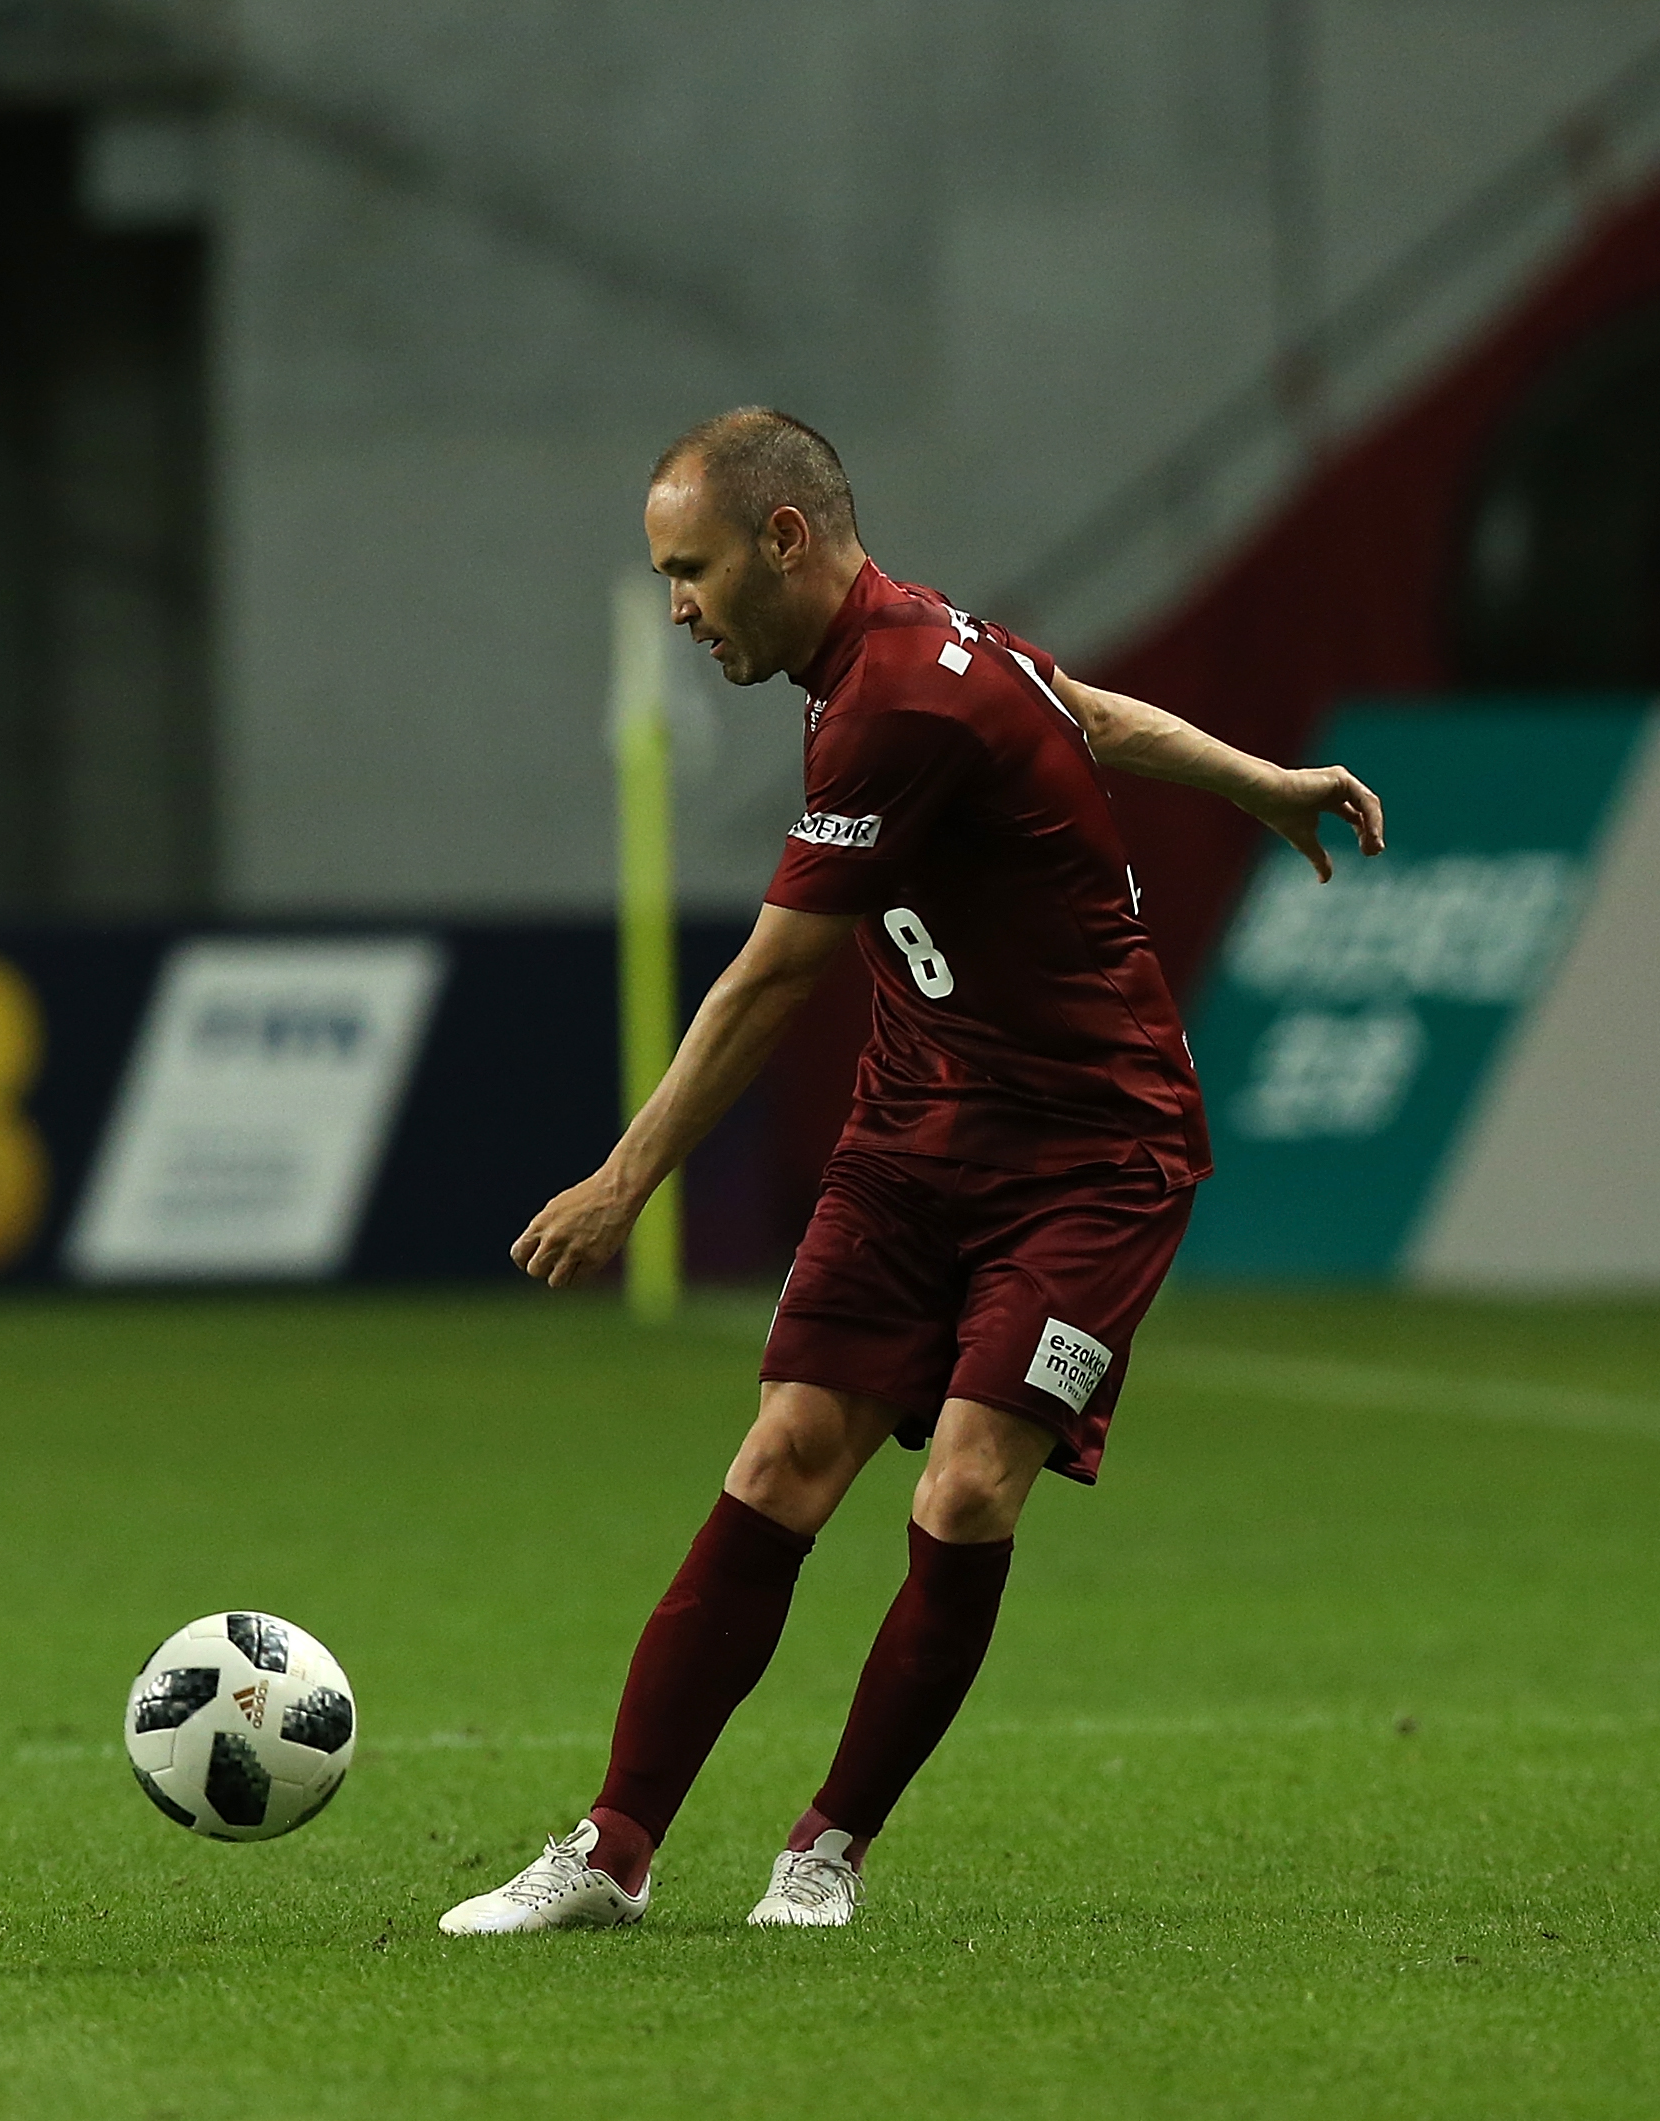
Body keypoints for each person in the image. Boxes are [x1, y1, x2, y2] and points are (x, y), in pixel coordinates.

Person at [440, 408, 1385, 1937]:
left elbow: (764, 983)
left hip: (1093, 1154)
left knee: (960, 1490)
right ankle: (609, 1851)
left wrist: (625, 1179)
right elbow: (1078, 710)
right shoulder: (909, 645)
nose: (674, 604)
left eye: (688, 570)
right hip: (917, 1127)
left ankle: (825, 1847)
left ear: (783, 540)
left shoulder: (897, 700)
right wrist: (1258, 779)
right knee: (783, 1456)